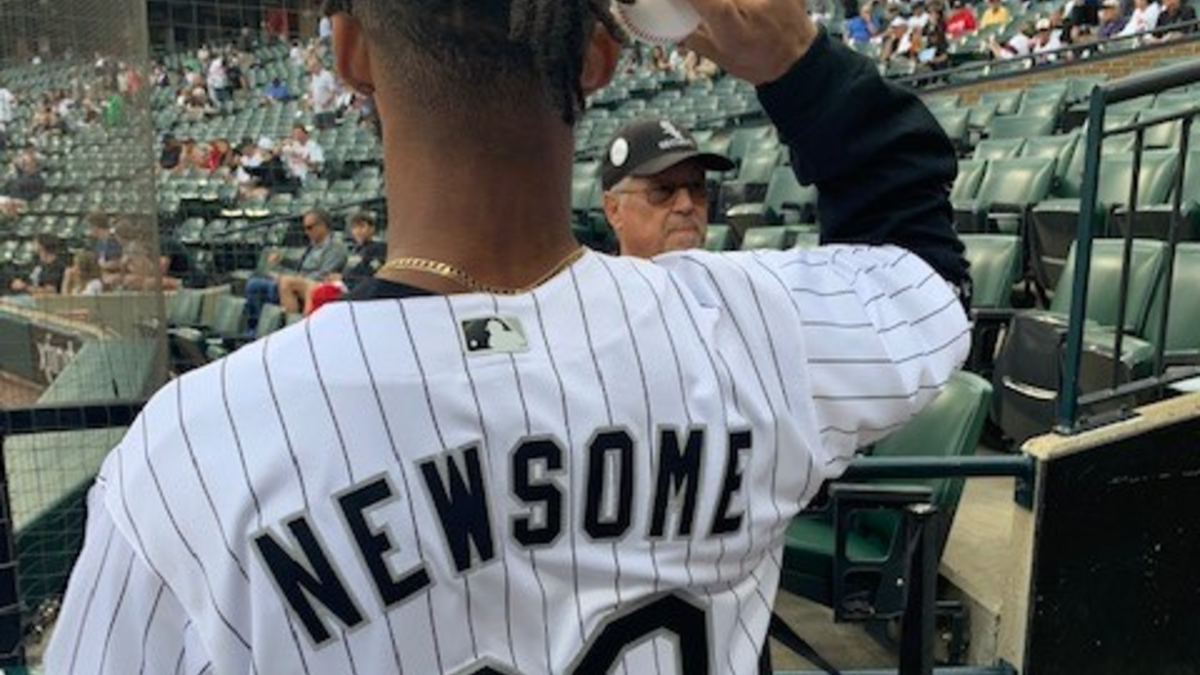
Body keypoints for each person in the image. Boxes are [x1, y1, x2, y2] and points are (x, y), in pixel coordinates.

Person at [47, 0, 970, 674]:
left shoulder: (188, 455)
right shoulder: (756, 333)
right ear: (603, 54)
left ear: (350, 49)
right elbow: (922, 271)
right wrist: (797, 59)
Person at [601, 117, 733, 258]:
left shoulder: (731, 278)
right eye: (663, 190)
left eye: (696, 188)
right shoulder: (593, 280)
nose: (686, 205)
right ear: (614, 210)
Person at [247, 207, 348, 323]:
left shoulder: (335, 247)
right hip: (299, 281)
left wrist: (295, 278)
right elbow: (301, 265)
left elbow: (324, 274)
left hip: (315, 285)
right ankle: (258, 327)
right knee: (255, 281)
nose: (306, 232)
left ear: (322, 226)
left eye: (310, 228)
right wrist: (282, 260)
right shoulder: (314, 245)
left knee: (265, 284)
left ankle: (291, 325)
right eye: (304, 228)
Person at [303, 209, 389, 313]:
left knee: (318, 292)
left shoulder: (379, 248)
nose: (358, 231)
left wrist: (343, 277)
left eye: (362, 226)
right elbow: (350, 270)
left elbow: (370, 273)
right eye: (354, 228)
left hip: (355, 288)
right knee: (314, 289)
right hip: (343, 283)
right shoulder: (355, 250)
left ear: (372, 228)